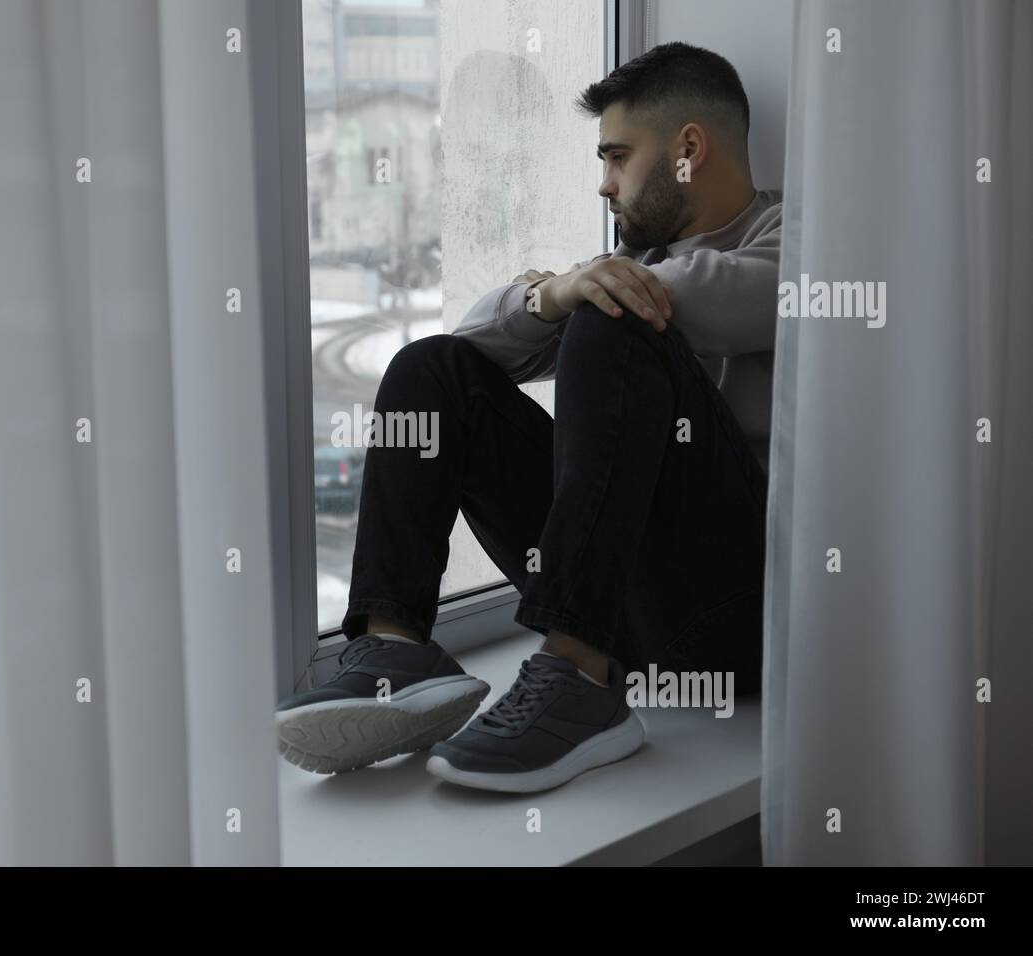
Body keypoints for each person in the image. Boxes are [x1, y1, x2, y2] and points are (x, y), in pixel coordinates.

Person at [277, 42, 781, 794]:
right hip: (631, 609)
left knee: (615, 319)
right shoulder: (633, 268)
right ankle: (395, 646)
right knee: (432, 366)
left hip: (733, 618)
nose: (605, 185)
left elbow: (706, 298)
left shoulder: (803, 243)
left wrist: (591, 289)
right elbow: (477, 345)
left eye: (617, 157)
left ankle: (578, 670)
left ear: (687, 150)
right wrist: (552, 295)